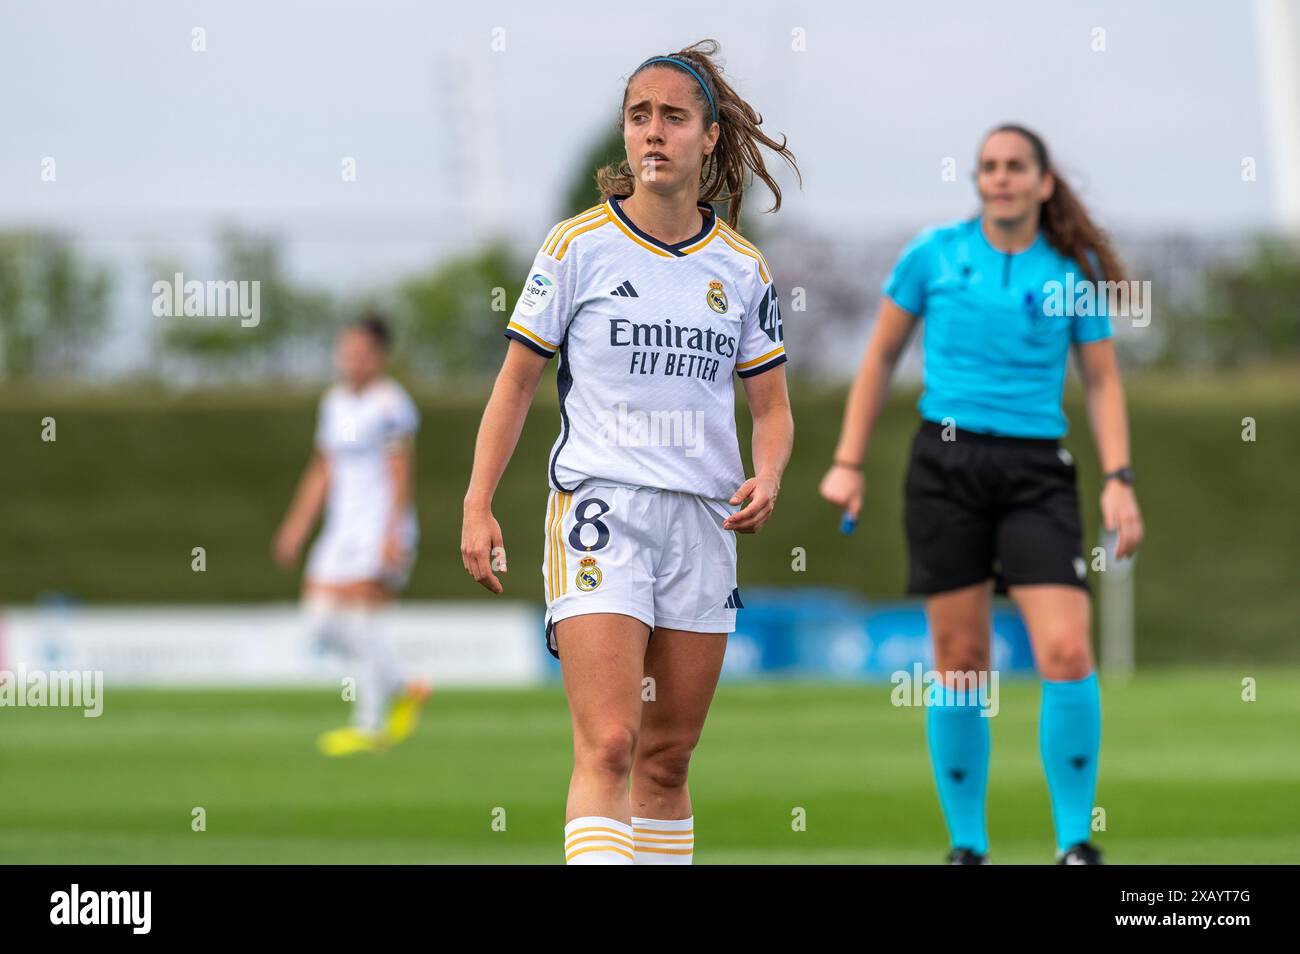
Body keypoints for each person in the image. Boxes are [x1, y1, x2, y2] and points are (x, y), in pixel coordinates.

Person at [461, 40, 798, 864]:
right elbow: (512, 387)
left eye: (673, 117)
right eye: (639, 116)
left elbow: (774, 406)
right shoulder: (578, 247)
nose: (654, 133)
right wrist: (477, 503)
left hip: (704, 525)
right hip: (601, 511)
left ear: (708, 137)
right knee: (610, 742)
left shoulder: (742, 268)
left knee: (668, 759)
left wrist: (772, 474)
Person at [820, 124, 1144, 864]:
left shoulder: (1072, 266)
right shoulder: (932, 255)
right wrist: (847, 461)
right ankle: (967, 846)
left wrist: (1120, 481)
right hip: (946, 468)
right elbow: (878, 357)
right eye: (988, 167)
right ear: (977, 180)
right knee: (961, 658)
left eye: (1015, 167)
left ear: (1043, 182)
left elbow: (1100, 380)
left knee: (1064, 648)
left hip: (1038, 475)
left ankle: (1073, 844)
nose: (1000, 178)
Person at [274, 313, 431, 756]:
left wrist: (394, 532)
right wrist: (296, 527)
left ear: (380, 357)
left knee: (363, 620)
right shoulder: (334, 403)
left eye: (362, 353)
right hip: (339, 531)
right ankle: (403, 686)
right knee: (320, 620)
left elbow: (401, 472)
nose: (352, 361)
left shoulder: (391, 405)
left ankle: (369, 724)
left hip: (377, 527)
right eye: (346, 352)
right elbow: (321, 469)